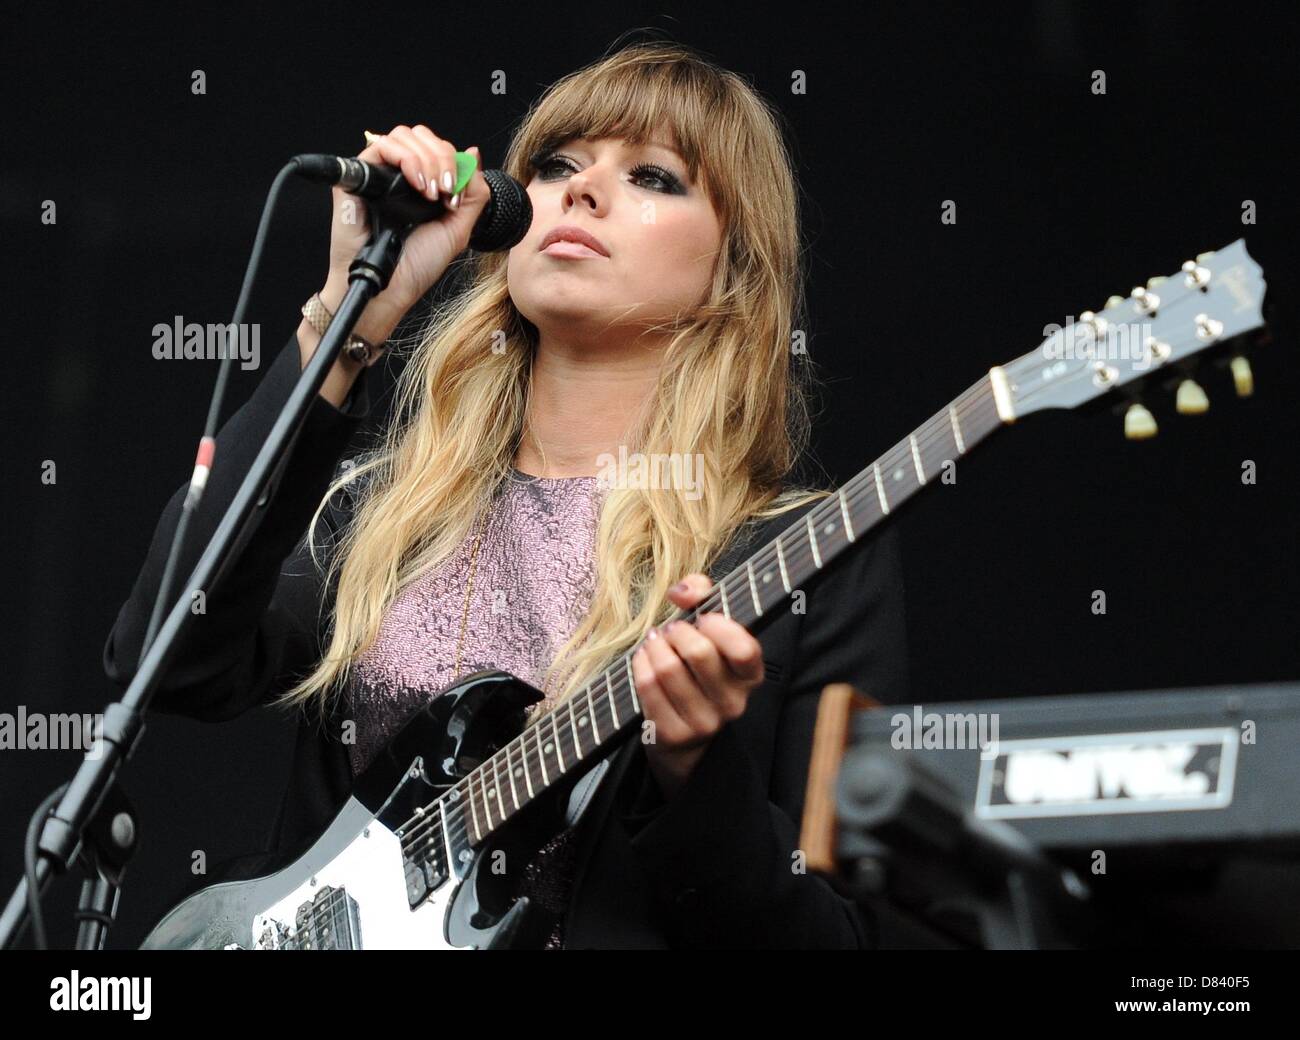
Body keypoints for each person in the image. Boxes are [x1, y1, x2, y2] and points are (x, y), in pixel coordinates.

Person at [103, 39, 909, 949]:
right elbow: (165, 655)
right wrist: (344, 319)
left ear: (734, 271)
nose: (582, 189)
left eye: (653, 176)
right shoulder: (390, 518)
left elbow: (842, 941)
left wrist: (697, 773)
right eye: (558, 165)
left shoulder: (809, 558)